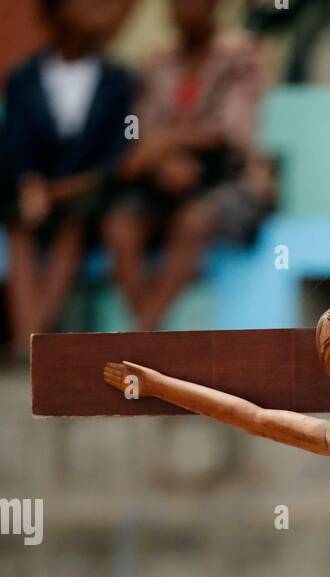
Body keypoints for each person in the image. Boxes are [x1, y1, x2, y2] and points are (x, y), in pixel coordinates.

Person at [104, 0, 273, 331]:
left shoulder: (241, 56)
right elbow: (141, 129)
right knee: (119, 225)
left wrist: (168, 144)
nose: (185, 9)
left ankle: (143, 332)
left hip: (228, 178)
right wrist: (165, 161)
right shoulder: (157, 64)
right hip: (165, 178)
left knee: (193, 222)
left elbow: (231, 131)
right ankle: (148, 331)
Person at [2, 0, 136, 353]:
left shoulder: (117, 81)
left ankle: (34, 340)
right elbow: (14, 144)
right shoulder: (23, 78)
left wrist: (61, 191)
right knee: (20, 226)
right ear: (56, 14)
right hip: (34, 194)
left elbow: (121, 153)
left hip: (88, 197)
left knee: (71, 227)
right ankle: (28, 341)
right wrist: (30, 185)